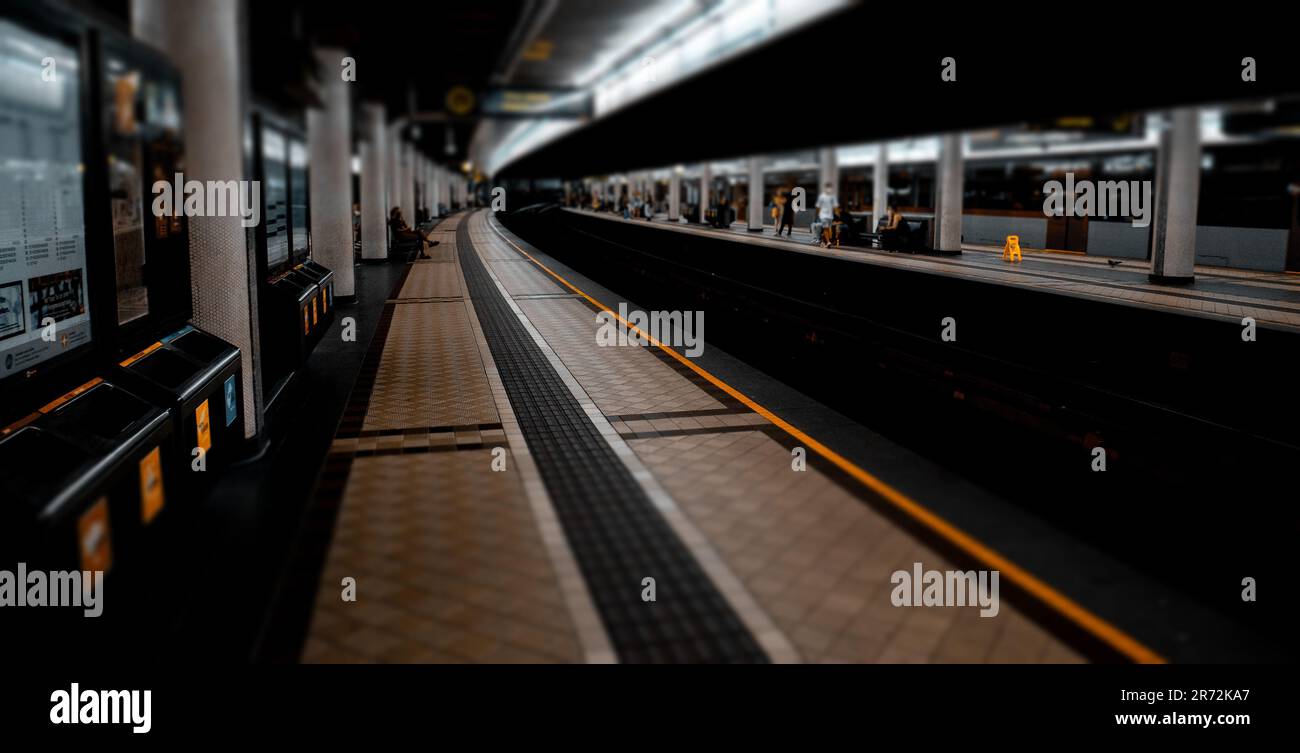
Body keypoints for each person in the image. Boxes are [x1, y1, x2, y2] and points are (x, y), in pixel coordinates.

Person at [813, 182, 838, 246]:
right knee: (826, 228)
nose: (829, 189)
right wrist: (817, 214)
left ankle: (825, 242)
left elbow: (835, 207)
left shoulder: (831, 196)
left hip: (828, 216)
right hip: (824, 215)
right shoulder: (823, 196)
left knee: (827, 229)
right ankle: (828, 241)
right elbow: (818, 207)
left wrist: (816, 215)